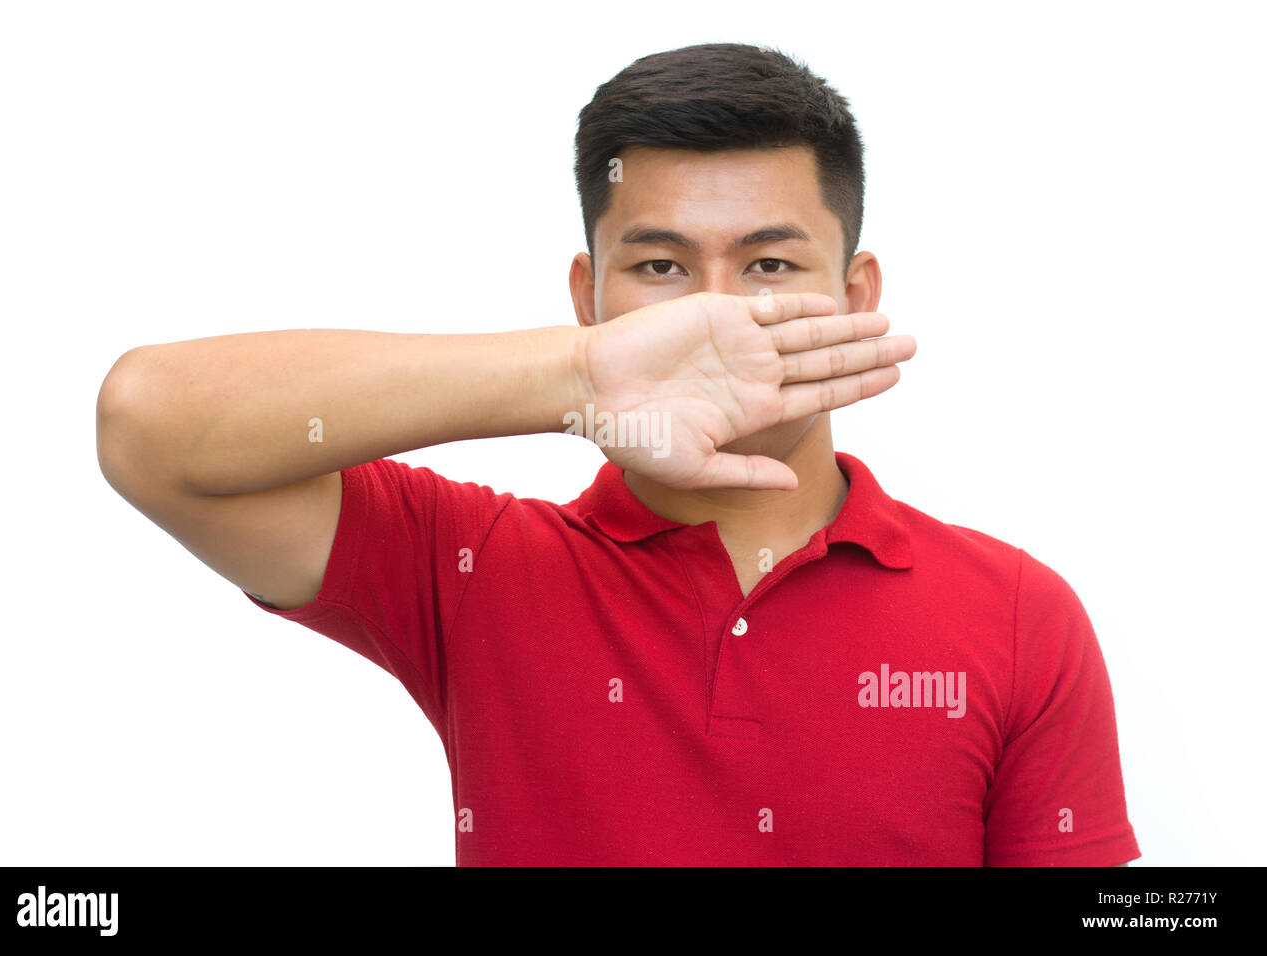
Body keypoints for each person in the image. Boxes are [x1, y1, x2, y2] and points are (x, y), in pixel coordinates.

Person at [95, 42, 1139, 866]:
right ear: (588, 297)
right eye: (660, 267)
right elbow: (148, 423)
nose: (715, 316)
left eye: (770, 264)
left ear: (855, 294)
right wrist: (576, 377)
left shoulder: (1018, 614)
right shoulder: (471, 568)